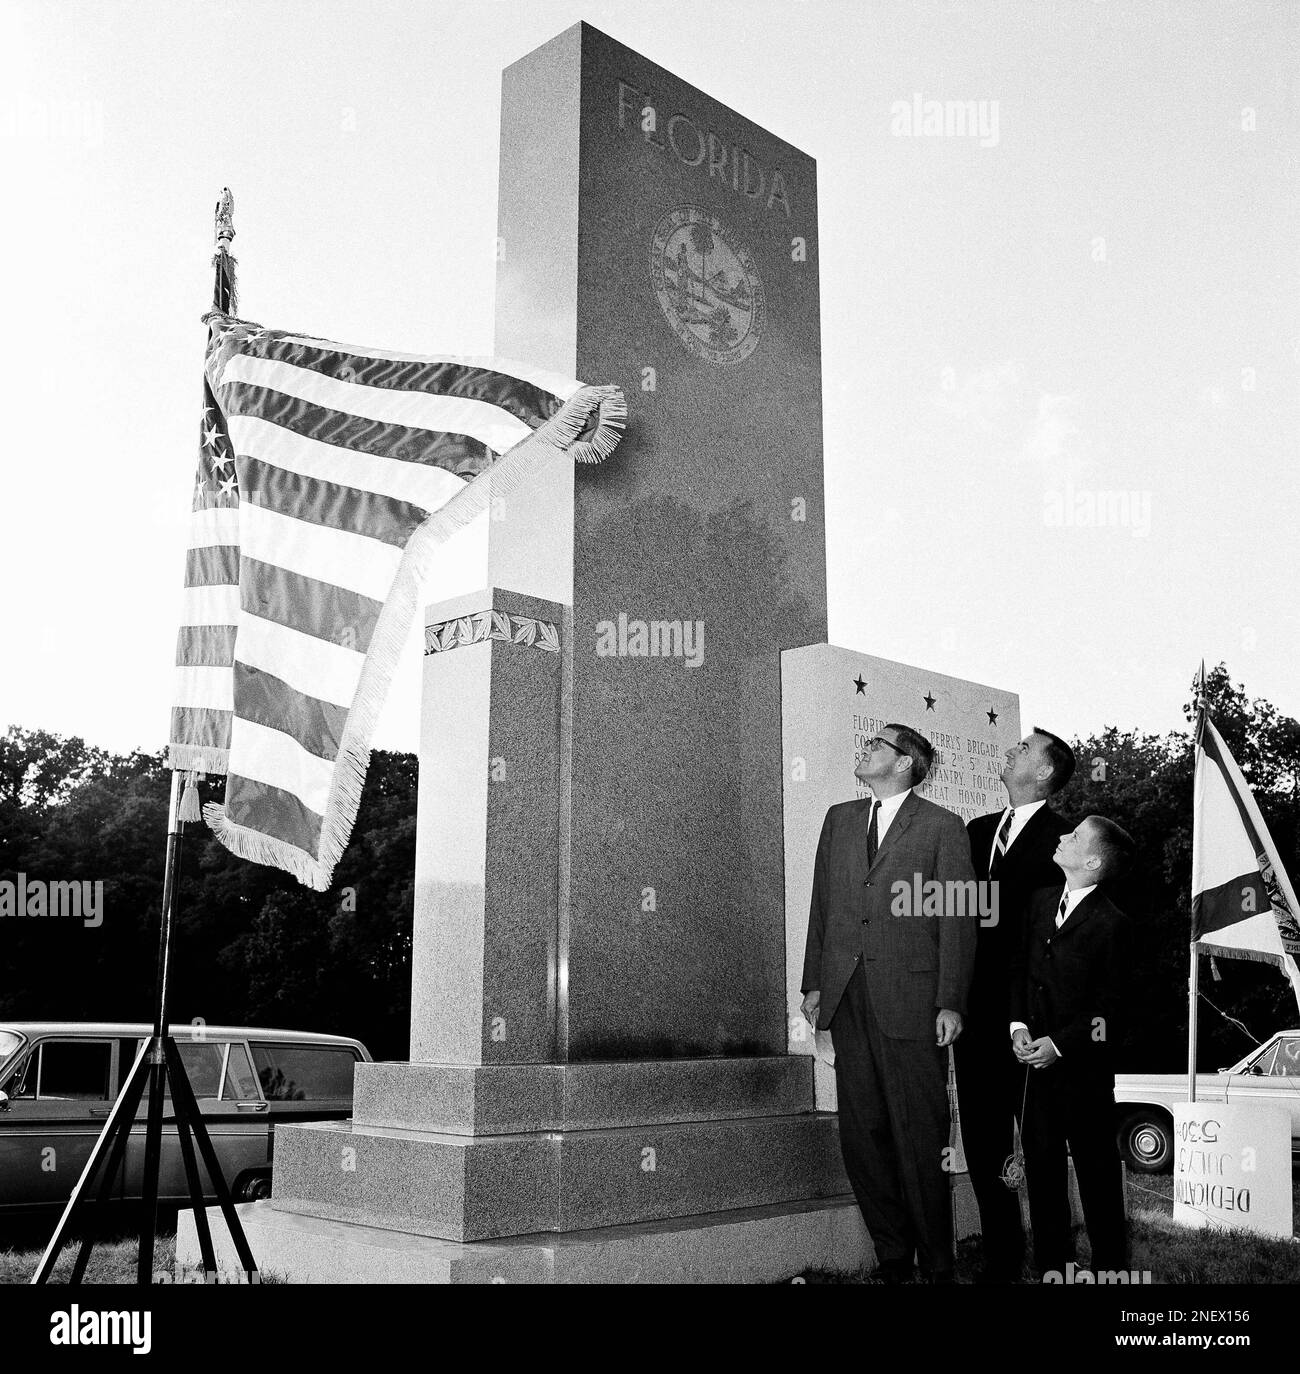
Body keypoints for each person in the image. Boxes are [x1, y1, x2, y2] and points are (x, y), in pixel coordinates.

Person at [800, 723, 977, 1283]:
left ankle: (938, 1265)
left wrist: (951, 1001)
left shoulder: (943, 828)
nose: (865, 749)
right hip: (848, 1001)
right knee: (863, 1137)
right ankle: (894, 1259)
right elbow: (823, 905)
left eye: (877, 744)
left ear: (904, 764)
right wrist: (813, 982)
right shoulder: (839, 819)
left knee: (920, 1137)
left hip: (914, 1003)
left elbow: (959, 919)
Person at [954, 727, 1075, 1282]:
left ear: (1046, 773)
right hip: (974, 1017)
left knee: (1042, 1147)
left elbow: (1062, 942)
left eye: (1024, 748)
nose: (1010, 749)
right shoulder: (975, 833)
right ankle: (1002, 1258)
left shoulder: (1066, 842)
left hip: (1031, 1020)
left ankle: (1055, 1261)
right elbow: (956, 917)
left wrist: (1039, 1018)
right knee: (983, 1144)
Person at [1010, 815, 1133, 1279]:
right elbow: (1022, 970)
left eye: (1075, 837)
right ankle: (1053, 1267)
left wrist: (1059, 1045)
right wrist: (1018, 1026)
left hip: (1084, 1077)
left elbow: (1111, 1010)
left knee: (1097, 1175)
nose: (1063, 837)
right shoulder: (1040, 901)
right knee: (1042, 1175)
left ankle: (1110, 1268)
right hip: (1035, 1075)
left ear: (1093, 861)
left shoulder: (1113, 923)